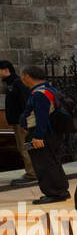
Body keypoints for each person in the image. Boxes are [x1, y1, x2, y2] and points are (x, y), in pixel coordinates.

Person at [20, 66, 69, 204]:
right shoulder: (48, 89)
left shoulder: (40, 93)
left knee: (43, 164)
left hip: (41, 133)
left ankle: (54, 193)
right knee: (52, 162)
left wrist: (38, 136)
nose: (22, 79)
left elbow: (42, 117)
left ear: (28, 76)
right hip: (49, 133)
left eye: (23, 76)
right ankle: (60, 191)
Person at [1, 60, 37, 188]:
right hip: (18, 121)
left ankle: (32, 173)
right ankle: (31, 172)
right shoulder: (11, 82)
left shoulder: (17, 83)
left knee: (25, 147)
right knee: (23, 147)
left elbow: (24, 101)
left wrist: (24, 120)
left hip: (22, 121)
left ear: (5, 70)